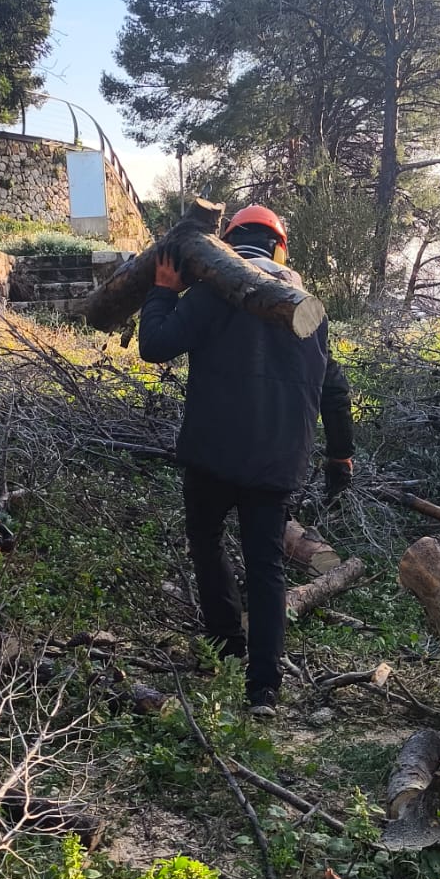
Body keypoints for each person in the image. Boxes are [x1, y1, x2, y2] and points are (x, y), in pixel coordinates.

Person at [137, 203, 354, 715]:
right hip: (278, 461)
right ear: (280, 248)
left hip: (212, 452)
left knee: (208, 542)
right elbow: (335, 390)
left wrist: (163, 293)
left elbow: (155, 345)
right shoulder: (308, 308)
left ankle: (226, 644)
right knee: (266, 566)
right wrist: (340, 456)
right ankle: (264, 690)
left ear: (228, 245)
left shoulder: (213, 292)